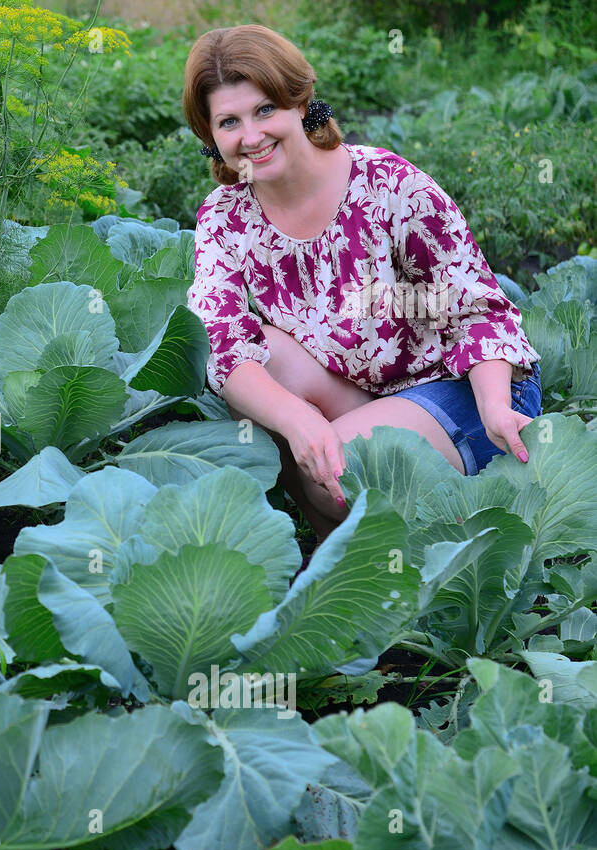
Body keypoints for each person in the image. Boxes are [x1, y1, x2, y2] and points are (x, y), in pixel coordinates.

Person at [181, 24, 542, 543]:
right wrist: (297, 421)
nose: (252, 136)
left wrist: (492, 404)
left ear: (299, 102)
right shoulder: (225, 218)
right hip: (363, 396)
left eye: (265, 110)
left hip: (465, 389)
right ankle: (346, 538)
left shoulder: (387, 186)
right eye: (229, 121)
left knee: (336, 472)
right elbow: (223, 346)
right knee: (262, 366)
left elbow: (479, 312)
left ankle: (380, 538)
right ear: (211, 136)